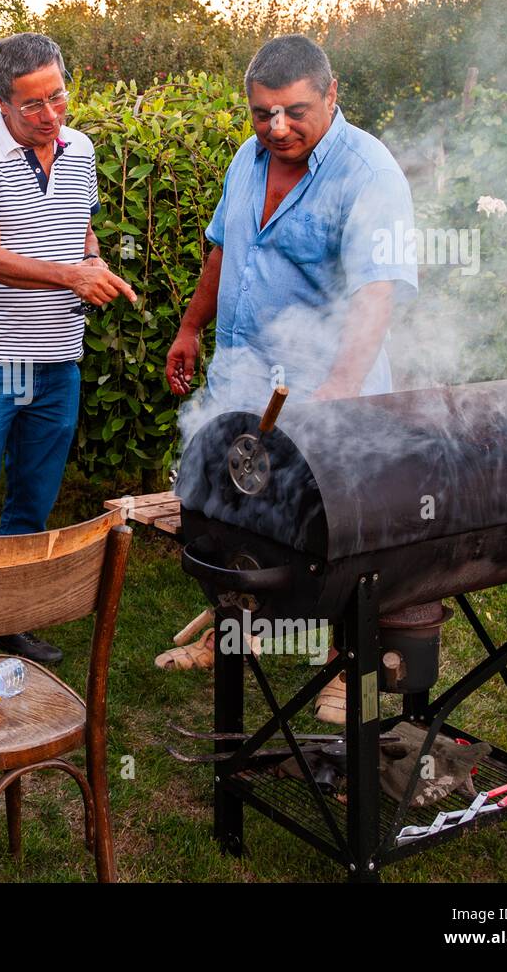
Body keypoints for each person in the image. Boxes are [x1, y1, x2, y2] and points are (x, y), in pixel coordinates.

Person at [161, 35, 417, 723]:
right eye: (261, 113)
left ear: (332, 96)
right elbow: (222, 248)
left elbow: (377, 293)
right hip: (242, 380)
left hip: (323, 395)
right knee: (236, 516)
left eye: (294, 111)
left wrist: (335, 392)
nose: (276, 128)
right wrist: (190, 328)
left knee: (335, 541)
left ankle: (344, 668)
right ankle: (231, 635)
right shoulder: (249, 159)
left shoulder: (369, 173)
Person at [0, 32, 136, 666]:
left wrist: (92, 259)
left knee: (32, 502)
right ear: (0, 101)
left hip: (58, 362)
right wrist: (73, 276)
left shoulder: (82, 149)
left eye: (58, 97)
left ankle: (4, 623)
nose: (51, 115)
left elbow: (81, 224)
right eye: (33, 106)